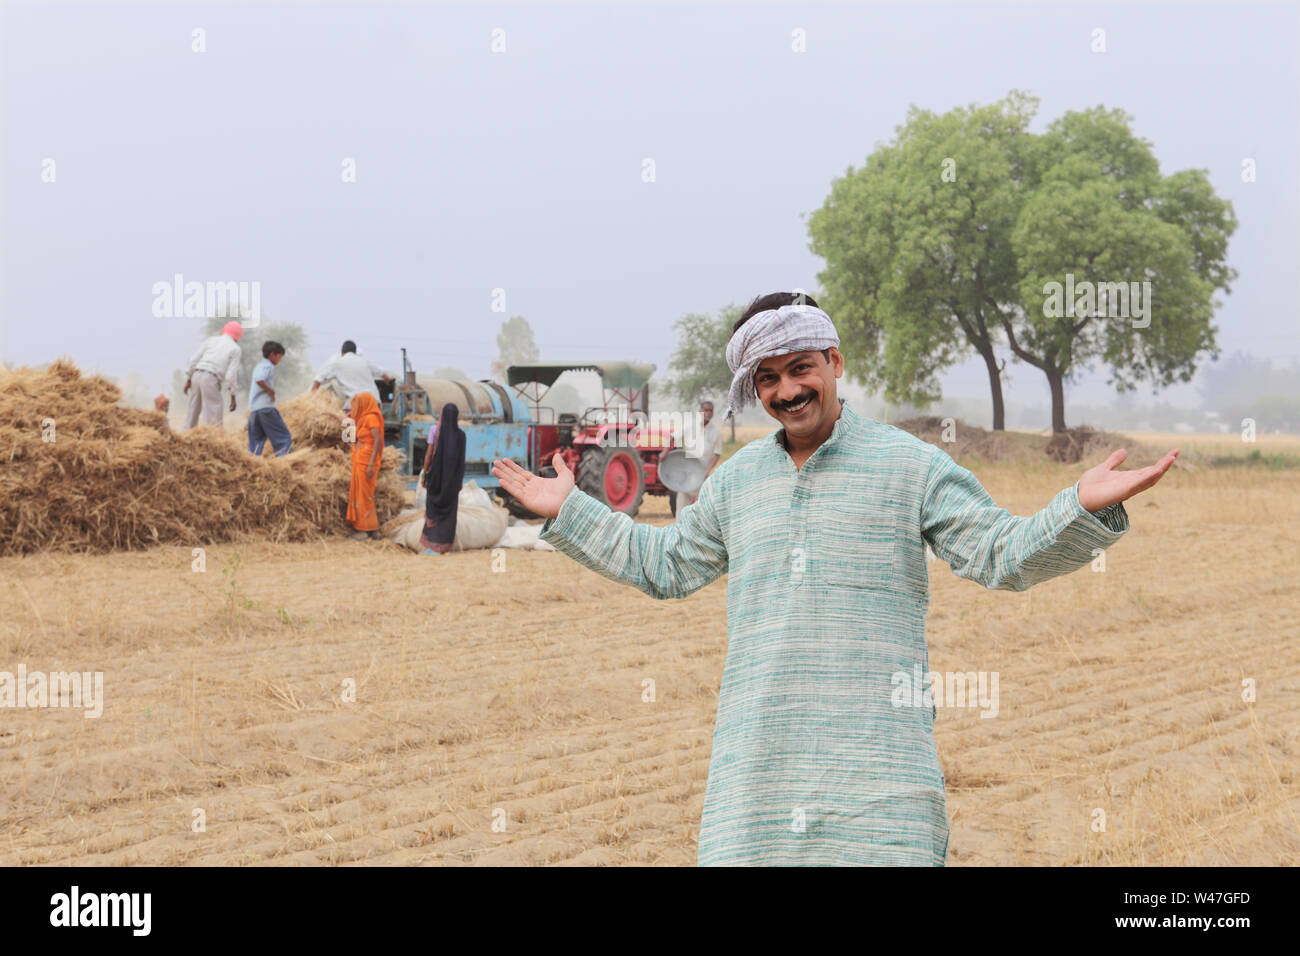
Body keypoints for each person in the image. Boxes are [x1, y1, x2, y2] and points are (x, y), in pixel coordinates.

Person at [492, 291, 1179, 867]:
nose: (787, 390)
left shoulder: (908, 465)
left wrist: (1080, 505)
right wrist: (573, 513)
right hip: (756, 776)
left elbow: (1001, 552)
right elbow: (666, 567)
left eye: (801, 368)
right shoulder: (735, 483)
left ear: (835, 362)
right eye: (767, 379)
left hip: (880, 782)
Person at [420, 403, 467, 555]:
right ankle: (445, 546)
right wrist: (458, 481)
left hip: (436, 479)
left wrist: (425, 472)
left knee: (433, 509)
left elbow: (429, 454)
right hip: (452, 482)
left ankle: (430, 546)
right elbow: (461, 461)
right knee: (450, 514)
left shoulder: (436, 431)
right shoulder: (461, 435)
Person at [183, 321, 243, 429]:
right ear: (237, 337)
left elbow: (193, 360)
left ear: (224, 331)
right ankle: (213, 440)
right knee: (213, 412)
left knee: (193, 410)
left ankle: (185, 436)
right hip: (211, 378)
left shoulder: (211, 340)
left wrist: (188, 379)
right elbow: (230, 375)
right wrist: (233, 395)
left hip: (196, 374)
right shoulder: (235, 349)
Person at [311, 340, 394, 412]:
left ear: (342, 352)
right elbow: (381, 373)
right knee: (374, 428)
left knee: (352, 429)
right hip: (373, 403)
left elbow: (318, 379)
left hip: (355, 405)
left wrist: (311, 396)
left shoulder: (337, 364)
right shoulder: (365, 361)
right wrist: (388, 380)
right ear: (355, 352)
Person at [345, 391, 385, 541]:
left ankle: (364, 530)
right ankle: (373, 530)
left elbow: (377, 441)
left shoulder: (371, 418)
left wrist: (370, 464)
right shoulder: (363, 418)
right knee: (362, 495)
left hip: (366, 460)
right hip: (360, 458)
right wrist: (331, 415)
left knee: (365, 496)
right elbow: (347, 422)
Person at [674, 399, 724, 514]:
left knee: (703, 509)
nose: (708, 413)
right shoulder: (690, 426)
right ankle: (680, 529)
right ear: (700, 411)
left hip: (703, 476)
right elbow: (673, 437)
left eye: (711, 410)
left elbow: (717, 454)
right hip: (687, 474)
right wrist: (664, 453)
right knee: (681, 508)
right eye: (706, 410)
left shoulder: (715, 432)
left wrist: (707, 471)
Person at [247, 340, 293, 457]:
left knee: (256, 442)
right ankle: (284, 462)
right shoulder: (268, 365)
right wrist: (270, 390)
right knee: (283, 437)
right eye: (279, 357)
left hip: (254, 410)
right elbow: (259, 379)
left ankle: (252, 462)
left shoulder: (259, 365)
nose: (279, 360)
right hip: (266, 408)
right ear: (272, 354)